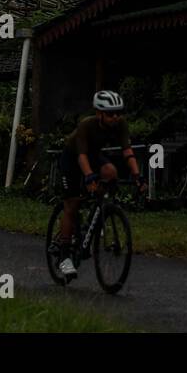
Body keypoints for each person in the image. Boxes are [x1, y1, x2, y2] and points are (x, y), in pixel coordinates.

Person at [50, 90, 145, 280]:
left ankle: (97, 215)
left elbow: (127, 151)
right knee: (72, 204)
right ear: (99, 113)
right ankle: (64, 255)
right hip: (72, 158)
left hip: (92, 156)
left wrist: (137, 176)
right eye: (110, 113)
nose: (115, 117)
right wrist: (89, 177)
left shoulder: (120, 125)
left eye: (118, 112)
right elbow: (81, 156)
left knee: (111, 172)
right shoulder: (87, 125)